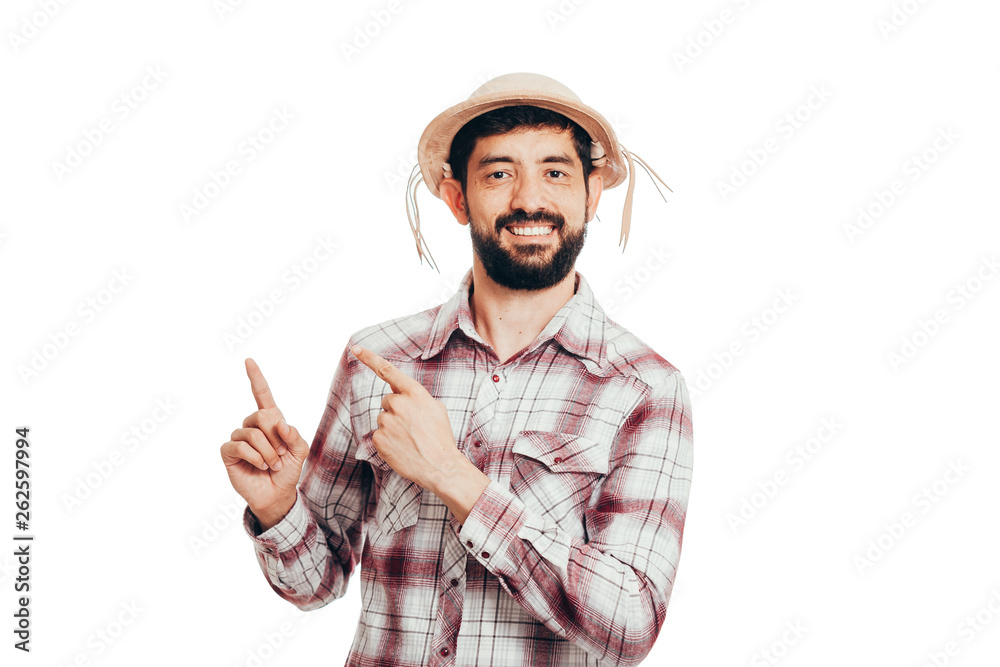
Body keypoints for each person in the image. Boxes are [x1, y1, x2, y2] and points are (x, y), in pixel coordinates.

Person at [220, 72, 693, 667]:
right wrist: (279, 506)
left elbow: (630, 625)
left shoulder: (645, 388)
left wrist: (453, 475)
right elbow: (315, 584)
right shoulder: (378, 360)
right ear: (457, 198)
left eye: (555, 172)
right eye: (498, 173)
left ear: (591, 195)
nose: (528, 199)